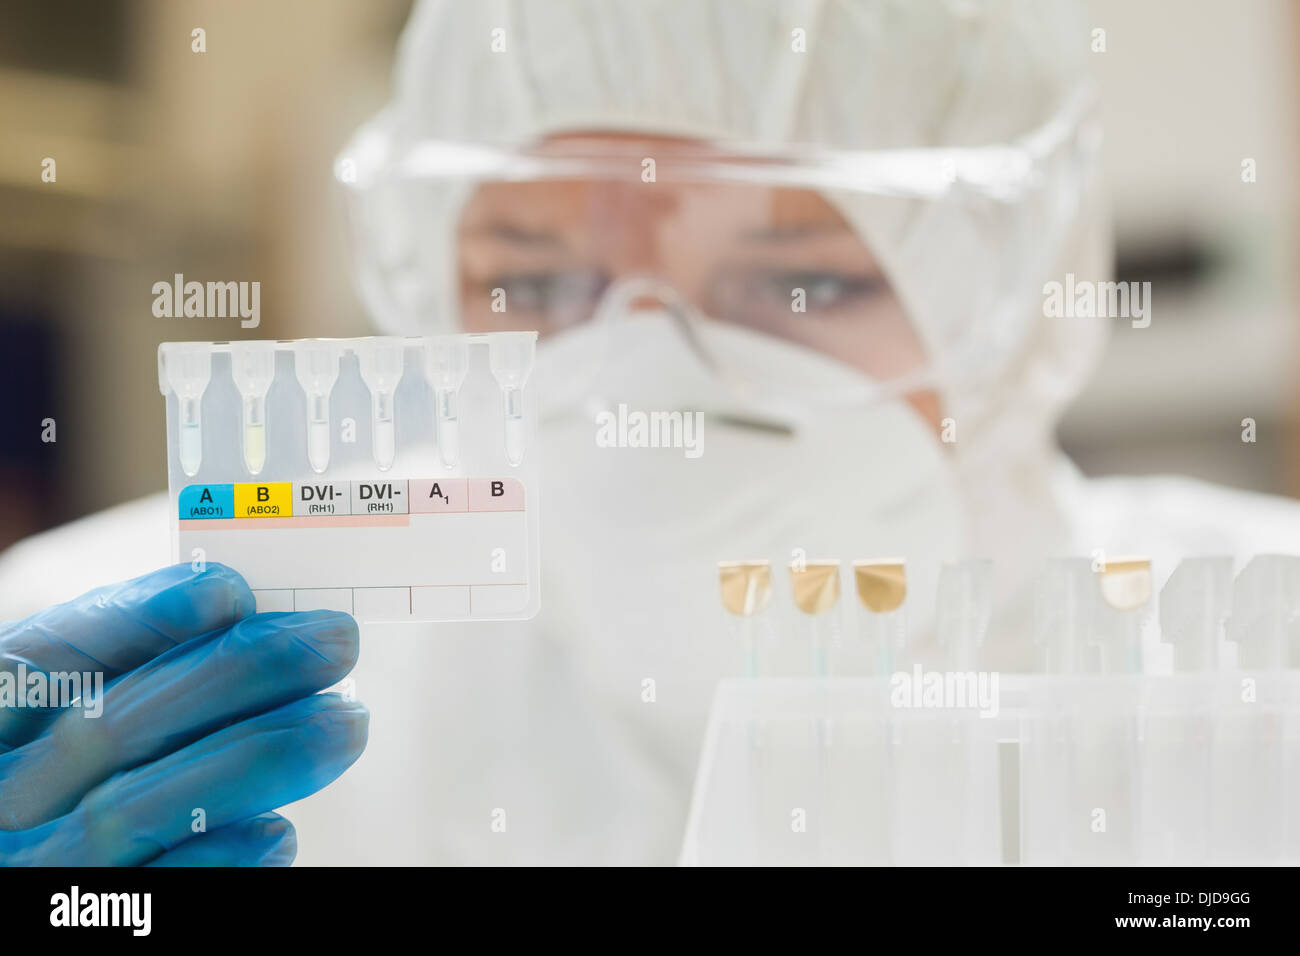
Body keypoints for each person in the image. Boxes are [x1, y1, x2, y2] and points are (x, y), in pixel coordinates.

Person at [4, 0, 1300, 865]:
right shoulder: (159, 681)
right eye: (530, 280)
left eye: (799, 284)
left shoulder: (1260, 671)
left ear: (1017, 289)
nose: (634, 374)